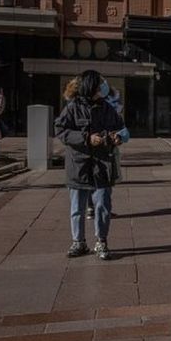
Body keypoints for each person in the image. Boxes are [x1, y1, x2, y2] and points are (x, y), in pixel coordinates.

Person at [54, 70, 126, 261]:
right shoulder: (72, 107)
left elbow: (121, 128)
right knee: (77, 208)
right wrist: (86, 138)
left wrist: (117, 137)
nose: (103, 86)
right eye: (100, 83)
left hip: (102, 165)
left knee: (102, 205)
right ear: (90, 86)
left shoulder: (107, 108)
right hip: (78, 165)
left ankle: (101, 241)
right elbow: (61, 131)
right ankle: (78, 242)